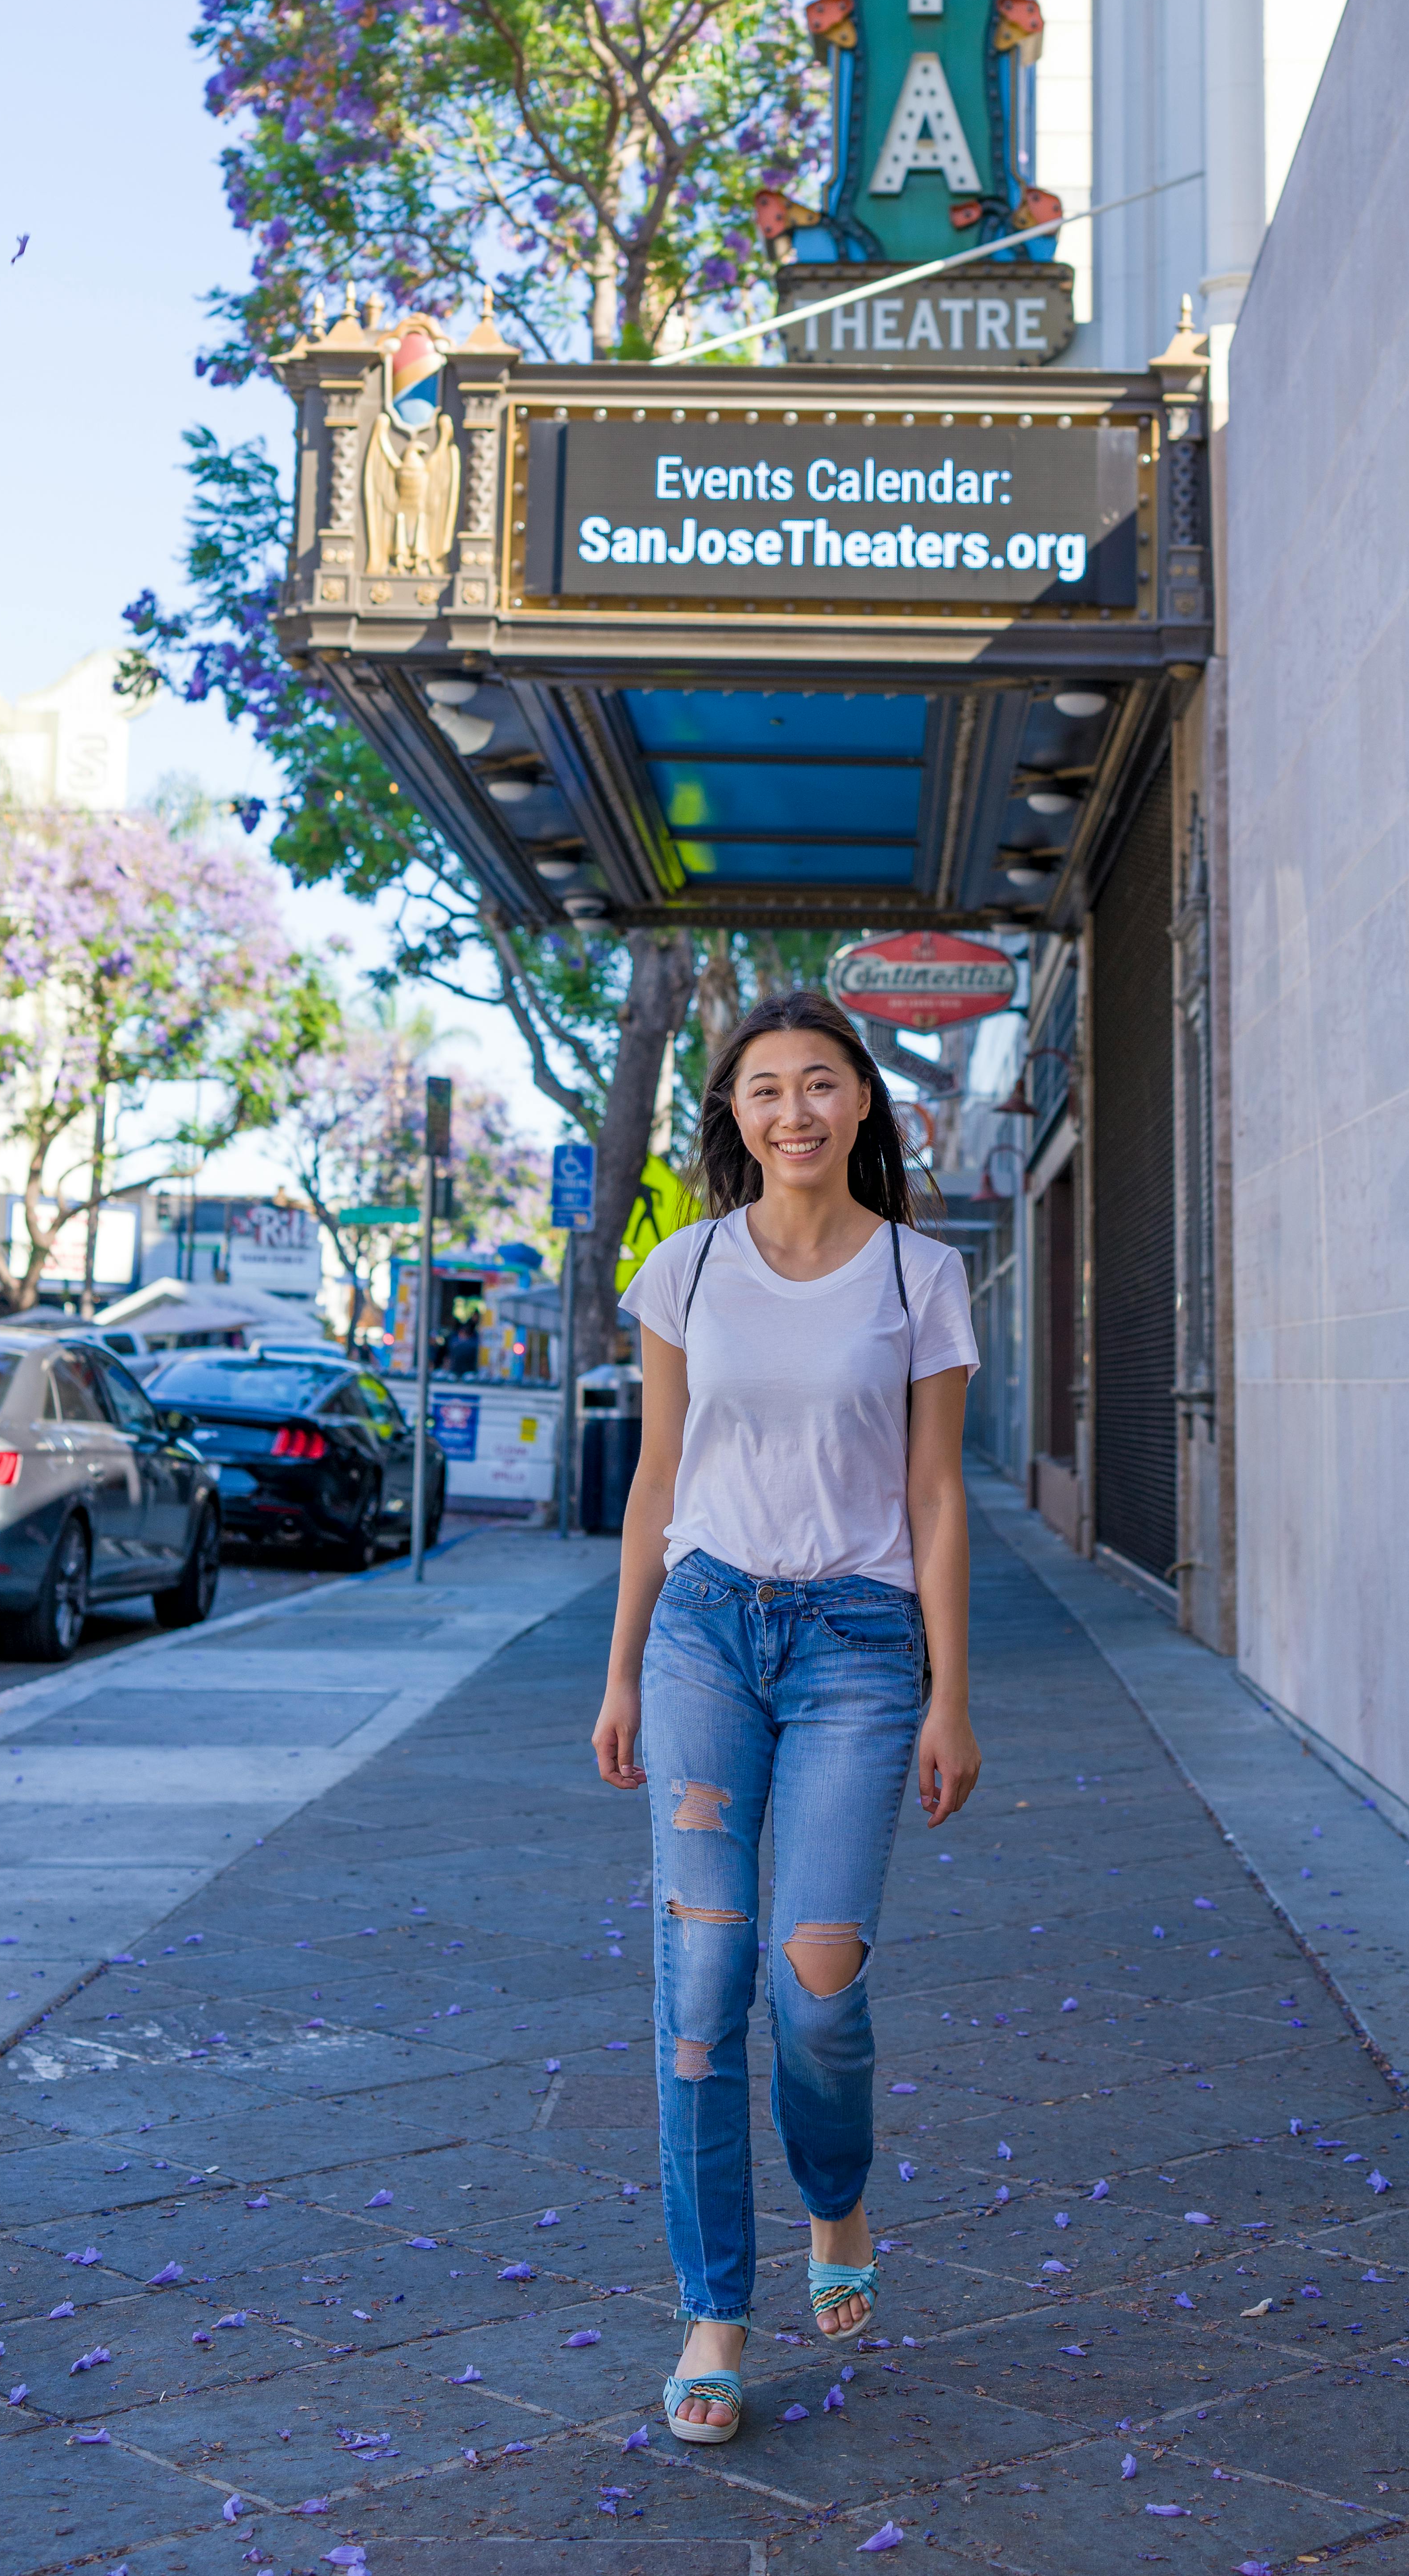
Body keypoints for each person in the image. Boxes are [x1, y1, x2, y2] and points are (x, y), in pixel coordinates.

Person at [590, 990, 982, 2447]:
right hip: (703, 1634)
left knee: (816, 1988)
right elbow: (654, 1480)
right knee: (700, 1994)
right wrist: (624, 1668)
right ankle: (713, 2313)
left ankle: (836, 2199)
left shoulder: (918, 1277)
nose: (795, 1112)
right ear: (735, 1116)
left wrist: (954, 1692)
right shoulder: (683, 1269)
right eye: (766, 1090)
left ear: (865, 1106)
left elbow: (936, 1497)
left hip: (859, 1649)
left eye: (822, 1085)